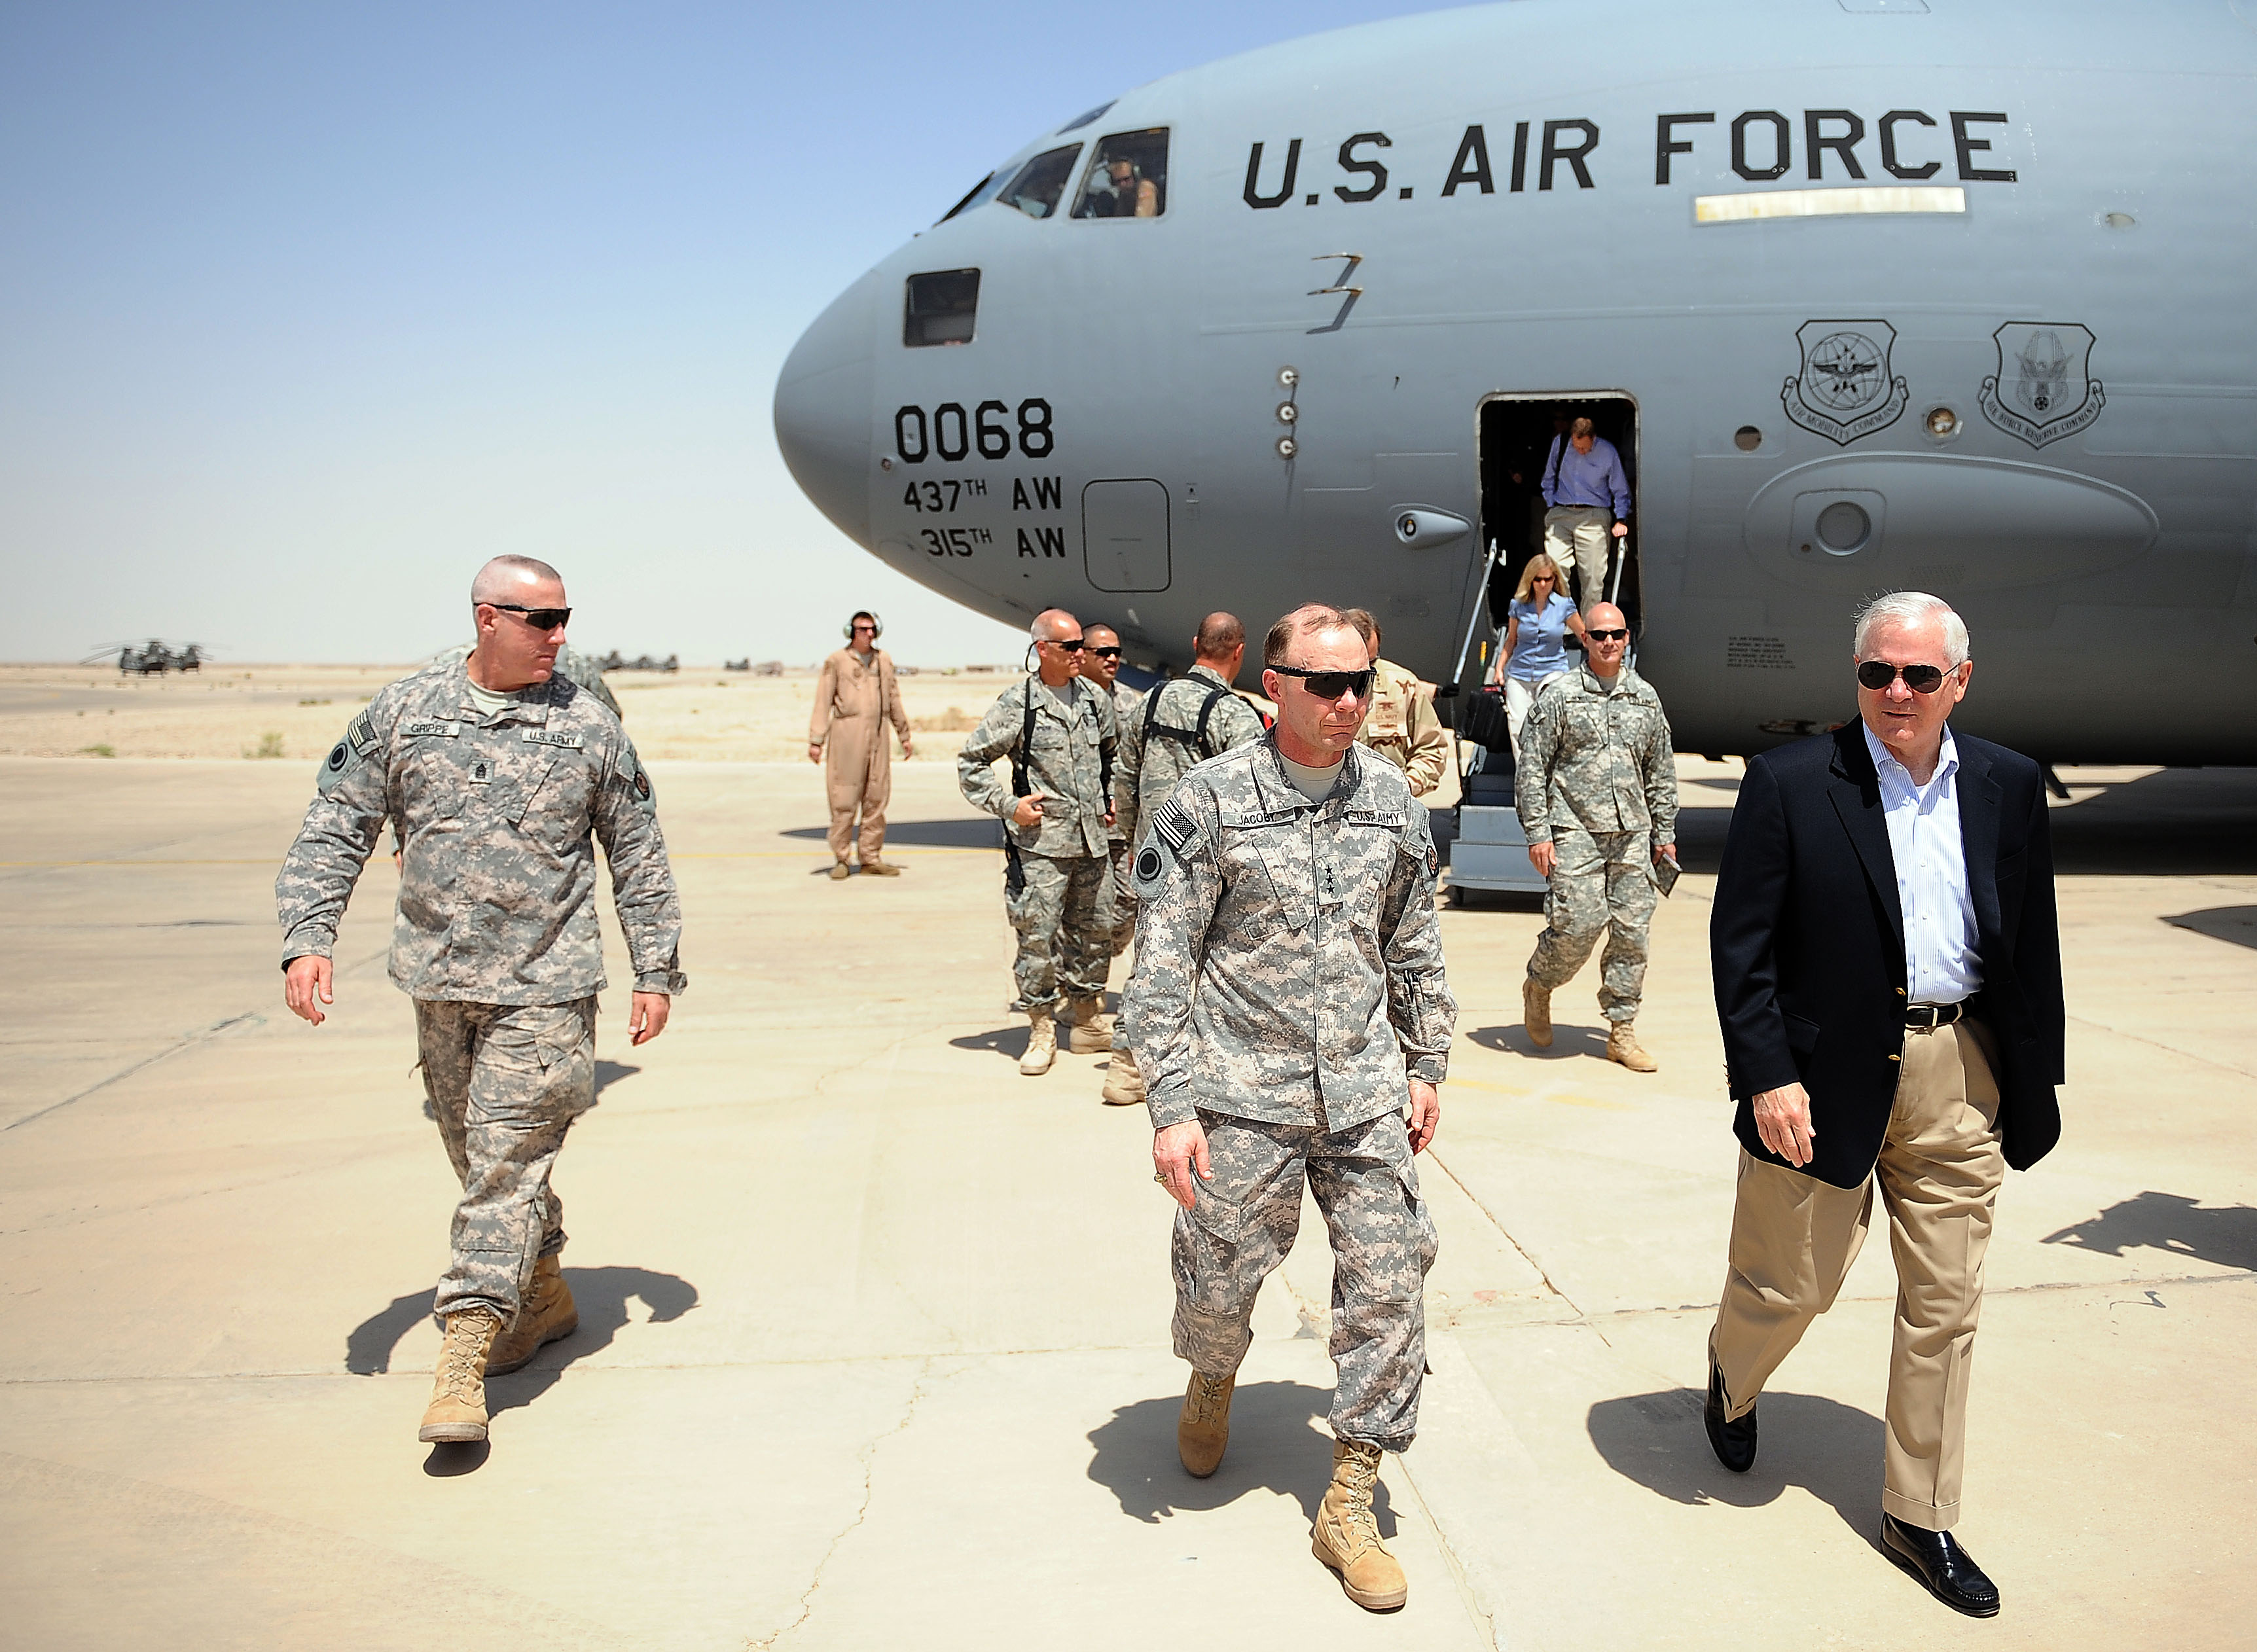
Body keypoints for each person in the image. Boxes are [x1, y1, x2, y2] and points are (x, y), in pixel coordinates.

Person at [1704, 591, 2063, 1619]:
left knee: (1946, 1308)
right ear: (1855, 677)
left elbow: (2028, 938)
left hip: (1962, 1070)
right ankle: (1734, 1370)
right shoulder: (1789, 783)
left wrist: (2033, 1074)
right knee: (1794, 1286)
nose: (1895, 692)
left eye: (1917, 674)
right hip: (1821, 1079)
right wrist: (1767, 1074)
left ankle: (1920, 1513)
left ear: (1960, 680)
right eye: (1876, 673)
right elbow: (1745, 949)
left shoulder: (2005, 782)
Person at [275, 555, 685, 1447]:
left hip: (547, 986)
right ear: (486, 618)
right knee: (479, 1160)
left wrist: (657, 969)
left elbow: (640, 855)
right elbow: (338, 822)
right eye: (542, 619)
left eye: (566, 617)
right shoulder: (408, 712)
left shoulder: (589, 727)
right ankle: (540, 1290)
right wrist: (309, 937)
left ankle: (463, 1360)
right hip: (439, 981)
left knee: (503, 1166)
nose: (560, 636)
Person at [1126, 603, 1456, 1615]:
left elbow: (1412, 937)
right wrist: (1171, 1105)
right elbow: (1164, 962)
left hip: (1362, 1092)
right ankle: (1213, 1373)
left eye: (1363, 681)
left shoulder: (1392, 799)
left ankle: (1349, 1495)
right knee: (1220, 1285)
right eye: (1327, 684)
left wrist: (1427, 1056)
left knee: (1393, 1283)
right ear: (1274, 685)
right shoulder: (1211, 801)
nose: (1350, 702)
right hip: (1241, 1094)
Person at [1104, 612, 1266, 1107]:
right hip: (1205, 864)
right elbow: (1251, 795)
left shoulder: (1148, 701)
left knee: (1153, 960)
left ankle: (1125, 1068)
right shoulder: (1232, 715)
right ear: (1239, 652)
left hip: (1154, 855)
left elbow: (1124, 776)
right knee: (1217, 964)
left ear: (1195, 643)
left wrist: (1131, 844)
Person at [1514, 602, 1678, 1072]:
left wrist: (1664, 832)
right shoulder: (1560, 696)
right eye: (1600, 634)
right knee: (1579, 924)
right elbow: (1533, 768)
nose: (1609, 642)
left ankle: (1621, 1029)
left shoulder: (1645, 698)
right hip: (1574, 829)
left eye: (1618, 634)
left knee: (1632, 935)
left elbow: (1660, 770)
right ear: (1584, 639)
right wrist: (1538, 833)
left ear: (1628, 639)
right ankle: (1541, 984)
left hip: (1632, 833)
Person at [957, 609, 1119, 1076]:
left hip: (1092, 843)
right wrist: (1011, 807)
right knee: (1038, 940)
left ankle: (1086, 1018)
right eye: (1071, 648)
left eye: (1083, 647)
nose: (1081, 655)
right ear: (1042, 649)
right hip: (1043, 847)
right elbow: (971, 763)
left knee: (1094, 934)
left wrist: (1107, 801)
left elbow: (1110, 755)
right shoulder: (1020, 703)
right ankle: (1042, 1027)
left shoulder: (1093, 699)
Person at [808, 611, 914, 878]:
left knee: (876, 797)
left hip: (878, 734)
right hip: (847, 734)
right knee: (844, 797)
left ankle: (870, 857)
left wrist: (904, 733)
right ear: (851, 631)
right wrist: (816, 740)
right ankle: (842, 859)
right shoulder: (837, 662)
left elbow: (893, 697)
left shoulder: (883, 661)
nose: (868, 634)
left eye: (871, 629)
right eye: (862, 629)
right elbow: (823, 701)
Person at [1487, 554, 1590, 754]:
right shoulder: (1518, 606)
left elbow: (1584, 636)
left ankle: (1549, 774)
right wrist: (1499, 669)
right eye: (1538, 579)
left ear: (1555, 579)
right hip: (1520, 673)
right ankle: (1525, 779)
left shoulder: (1564, 606)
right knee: (1518, 727)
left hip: (1552, 670)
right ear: (1530, 580)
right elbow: (1511, 641)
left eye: (1548, 579)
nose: (1543, 584)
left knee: (1548, 720)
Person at [1081, 624, 1142, 958]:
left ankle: (1099, 956)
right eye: (1103, 652)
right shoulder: (1070, 702)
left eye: (1117, 652)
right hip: (1080, 826)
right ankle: (1079, 982)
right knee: (1079, 907)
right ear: (1083, 654)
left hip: (1119, 826)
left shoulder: (1132, 703)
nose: (1112, 658)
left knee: (1129, 901)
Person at [1343, 615, 1450, 798]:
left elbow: (1432, 748)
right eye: (1355, 665)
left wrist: (1405, 787)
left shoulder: (1402, 685)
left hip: (1386, 810)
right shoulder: (1314, 689)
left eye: (1372, 662)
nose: (1366, 672)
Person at [1540, 416, 1632, 613]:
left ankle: (1589, 629)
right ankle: (1564, 625)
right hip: (1562, 512)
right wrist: (1551, 505)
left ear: (1594, 438)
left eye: (1585, 448)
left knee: (1593, 576)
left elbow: (1620, 490)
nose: (1581, 451)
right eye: (1577, 447)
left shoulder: (1608, 452)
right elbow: (1549, 476)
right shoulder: (1561, 443)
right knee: (1555, 569)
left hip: (1594, 515)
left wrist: (1620, 519)